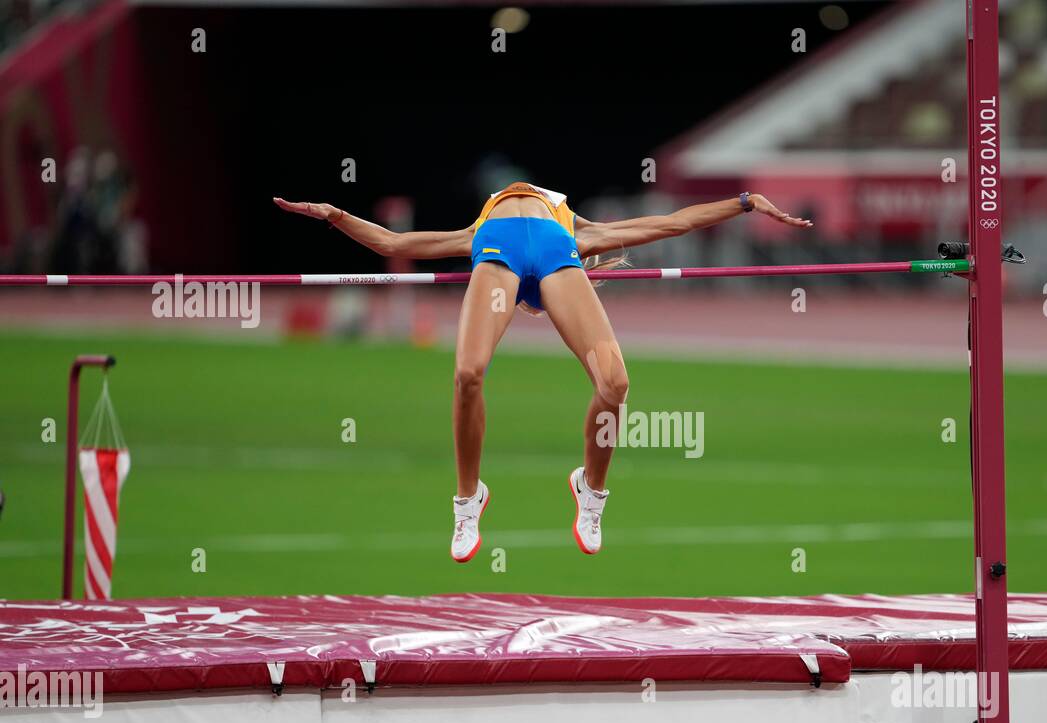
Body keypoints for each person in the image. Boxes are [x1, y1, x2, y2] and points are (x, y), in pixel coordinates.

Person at [275, 183, 811, 561]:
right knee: (468, 375)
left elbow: (672, 223)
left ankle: (591, 491)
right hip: (506, 254)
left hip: (550, 259)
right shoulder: (490, 235)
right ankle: (468, 500)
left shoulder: (578, 240)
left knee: (616, 384)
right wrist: (335, 215)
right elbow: (392, 245)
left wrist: (744, 204)